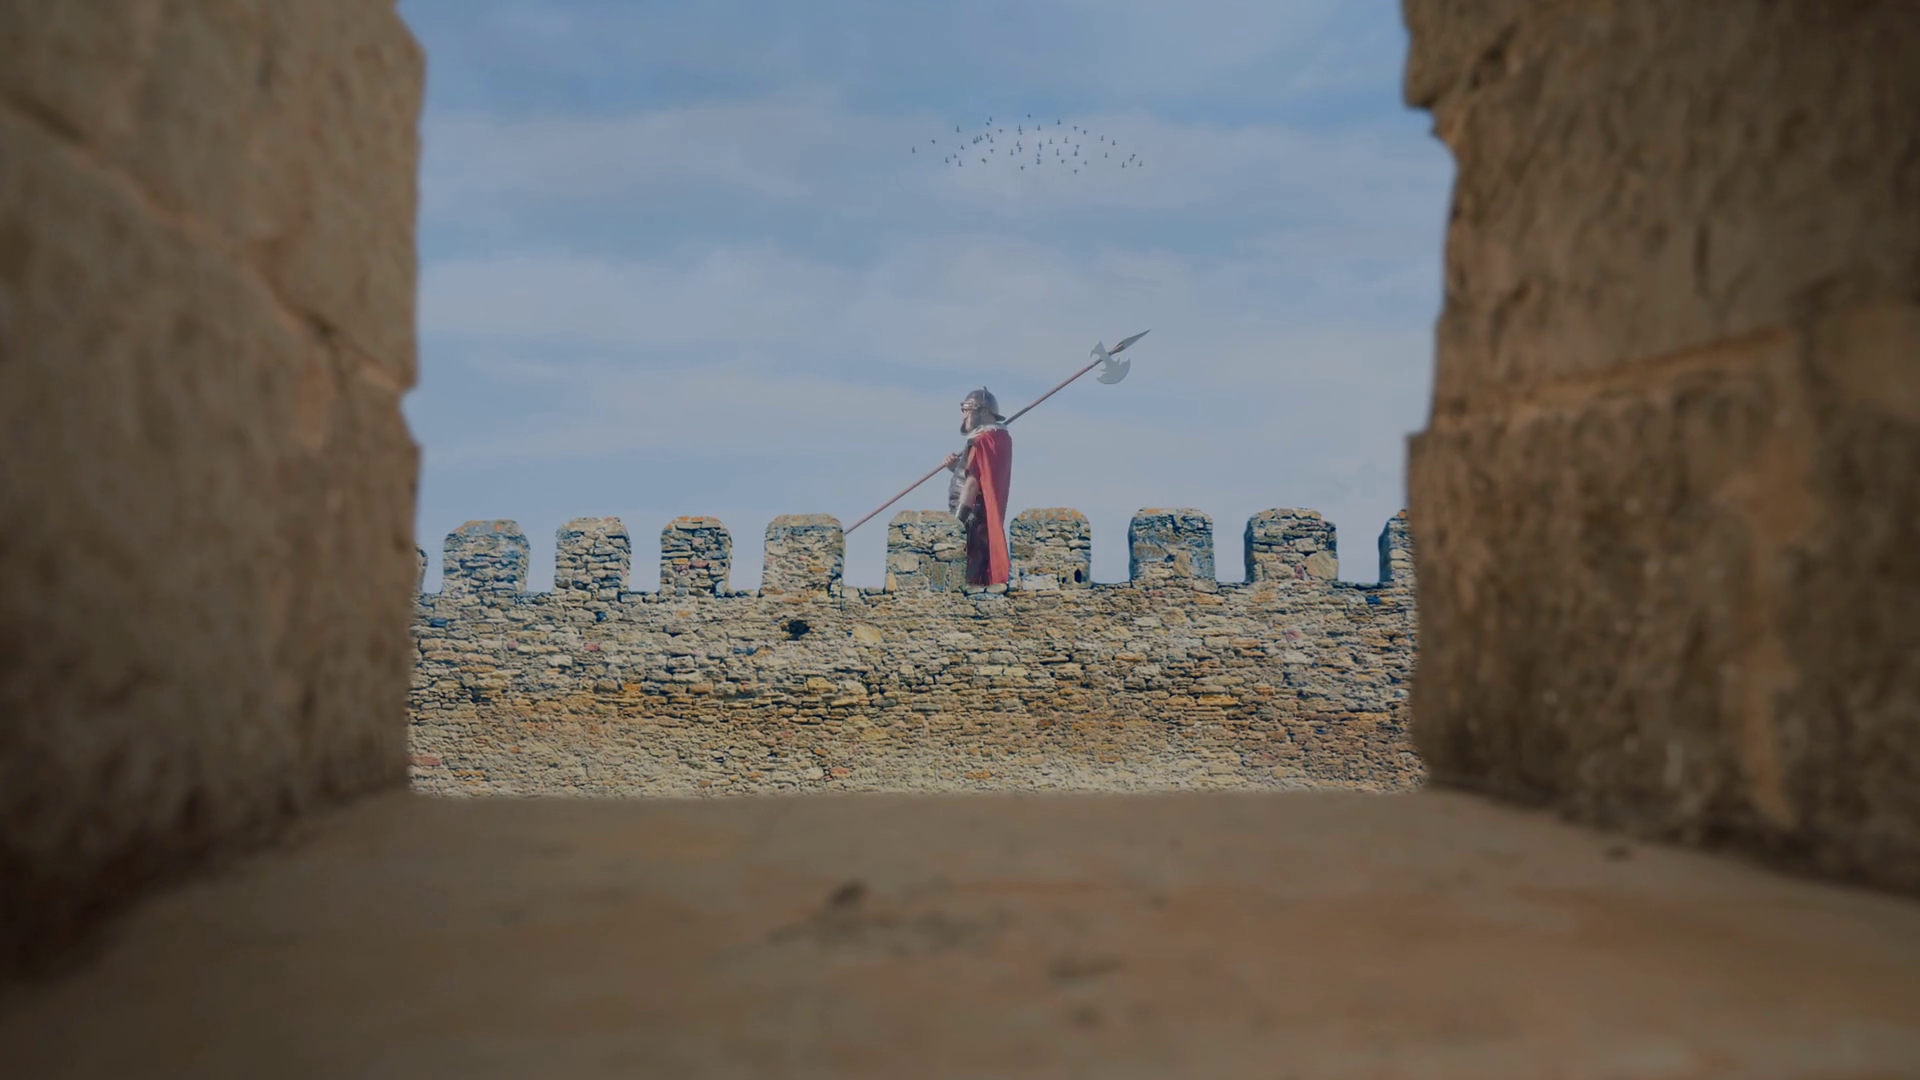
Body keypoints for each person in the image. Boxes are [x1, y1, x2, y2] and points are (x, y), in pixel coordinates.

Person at [942, 387, 1013, 586]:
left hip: (970, 514)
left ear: (983, 411)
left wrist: (957, 522)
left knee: (968, 570)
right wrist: (956, 467)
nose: (964, 414)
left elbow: (973, 483)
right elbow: (979, 473)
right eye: (963, 409)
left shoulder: (983, 440)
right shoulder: (993, 439)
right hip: (976, 513)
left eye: (969, 409)